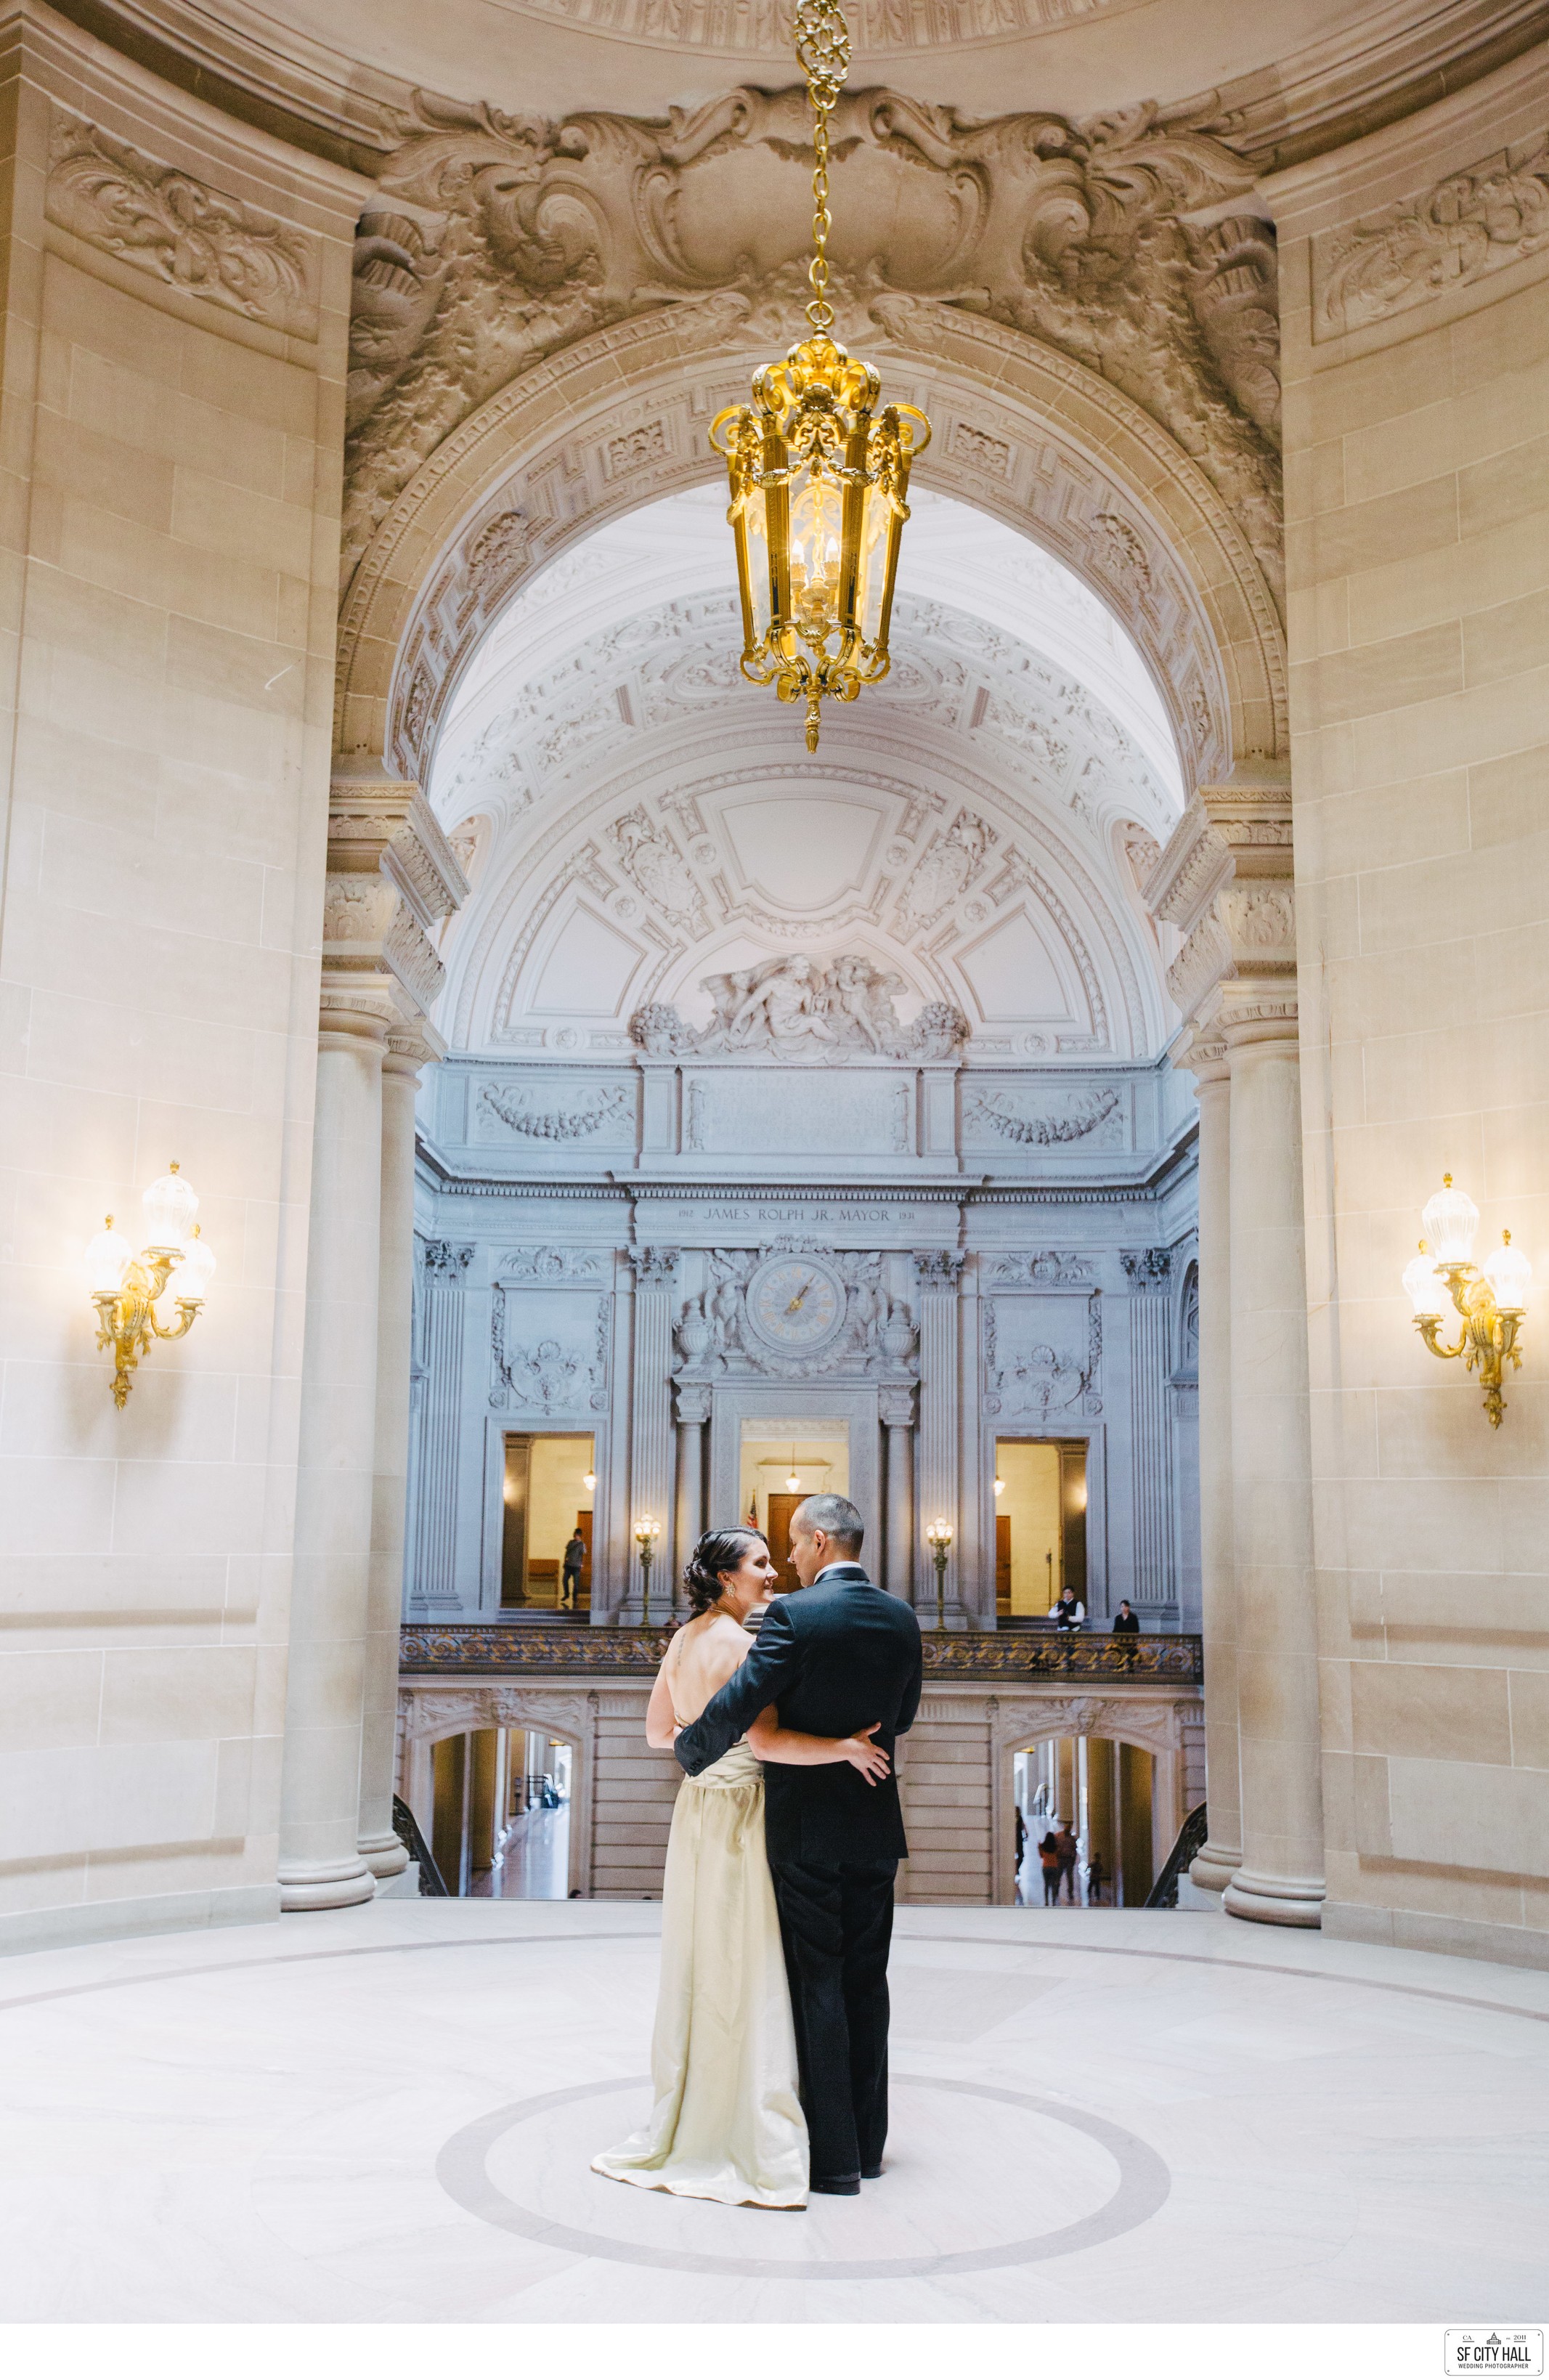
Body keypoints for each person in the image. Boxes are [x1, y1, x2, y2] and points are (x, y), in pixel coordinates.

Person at [591, 1526, 891, 2209]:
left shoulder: (684, 1637)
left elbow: (657, 1733)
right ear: (727, 1577)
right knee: (749, 1961)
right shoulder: (741, 1645)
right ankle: (746, 2115)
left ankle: (699, 2103)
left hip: (697, 1813)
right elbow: (767, 1741)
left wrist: (710, 1760)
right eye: (758, 1564)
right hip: (745, 1813)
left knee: (707, 1959)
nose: (771, 1574)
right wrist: (843, 1747)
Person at [673, 1492, 923, 2196]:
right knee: (867, 1983)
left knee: (817, 1980)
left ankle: (835, 2160)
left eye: (791, 1543)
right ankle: (871, 2147)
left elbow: (748, 1695)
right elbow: (901, 1715)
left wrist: (695, 1749)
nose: (786, 1557)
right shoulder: (903, 1617)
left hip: (805, 1826)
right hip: (875, 1823)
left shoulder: (794, 1615)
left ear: (818, 1542)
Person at [1053, 1816, 1080, 1902]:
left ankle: (1070, 1893)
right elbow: (1055, 1847)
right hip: (1060, 1859)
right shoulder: (1058, 1836)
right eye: (1067, 1827)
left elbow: (1074, 1850)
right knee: (1058, 1876)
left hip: (1069, 1859)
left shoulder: (1072, 1839)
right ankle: (1056, 1891)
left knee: (1070, 1877)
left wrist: (1073, 1860)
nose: (1068, 1829)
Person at [561, 1530, 586, 1610]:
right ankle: (567, 1594)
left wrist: (582, 1564)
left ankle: (575, 1597)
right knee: (564, 1580)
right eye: (575, 1535)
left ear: (579, 1536)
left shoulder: (582, 1544)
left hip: (577, 1566)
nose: (575, 1536)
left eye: (577, 1535)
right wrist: (565, 1561)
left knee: (576, 1582)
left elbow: (584, 1555)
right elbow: (567, 1552)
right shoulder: (570, 1542)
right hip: (569, 1565)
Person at [1038, 1825, 1061, 1906]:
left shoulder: (1043, 1847)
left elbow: (1041, 1856)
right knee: (1054, 1884)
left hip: (1046, 1867)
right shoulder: (1055, 1847)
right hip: (1054, 1867)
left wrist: (1039, 1847)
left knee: (1046, 1885)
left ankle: (1047, 1901)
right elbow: (1058, 1854)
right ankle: (1054, 1901)